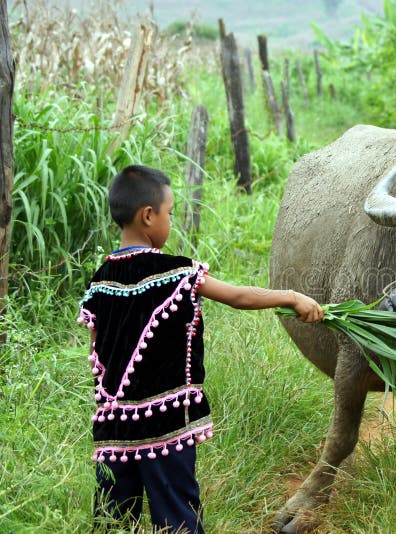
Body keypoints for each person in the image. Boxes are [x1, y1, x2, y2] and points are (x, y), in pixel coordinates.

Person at [77, 165, 324, 533]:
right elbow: (239, 296)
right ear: (148, 216)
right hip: (167, 426)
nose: (170, 222)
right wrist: (291, 296)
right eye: (170, 213)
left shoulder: (99, 283)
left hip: (113, 429)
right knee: (177, 516)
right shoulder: (178, 273)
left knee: (114, 519)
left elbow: (97, 357)